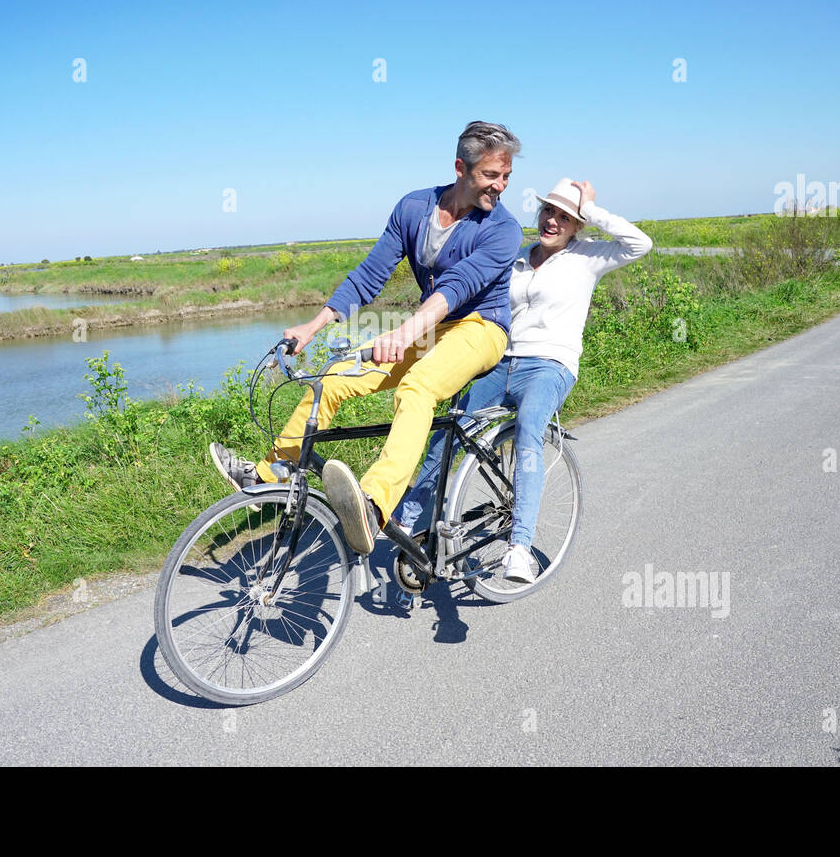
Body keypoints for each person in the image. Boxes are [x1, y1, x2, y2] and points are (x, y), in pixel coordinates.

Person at [209, 121, 524, 557]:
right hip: (432, 326)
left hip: (481, 327)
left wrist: (404, 332)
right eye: (492, 175)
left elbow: (457, 287)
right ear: (460, 168)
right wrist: (313, 326)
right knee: (336, 377)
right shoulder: (414, 208)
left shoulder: (503, 229)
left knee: (418, 386)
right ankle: (270, 474)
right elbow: (369, 274)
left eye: (507, 176)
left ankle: (373, 506)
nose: (501, 186)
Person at [392, 177, 653, 583]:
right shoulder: (514, 259)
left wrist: (591, 207)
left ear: (577, 224)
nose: (553, 221)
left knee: (530, 429)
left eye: (565, 217)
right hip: (501, 362)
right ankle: (405, 519)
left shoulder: (588, 258)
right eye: (549, 211)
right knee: (451, 427)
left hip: (550, 365)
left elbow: (640, 244)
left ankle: (519, 548)